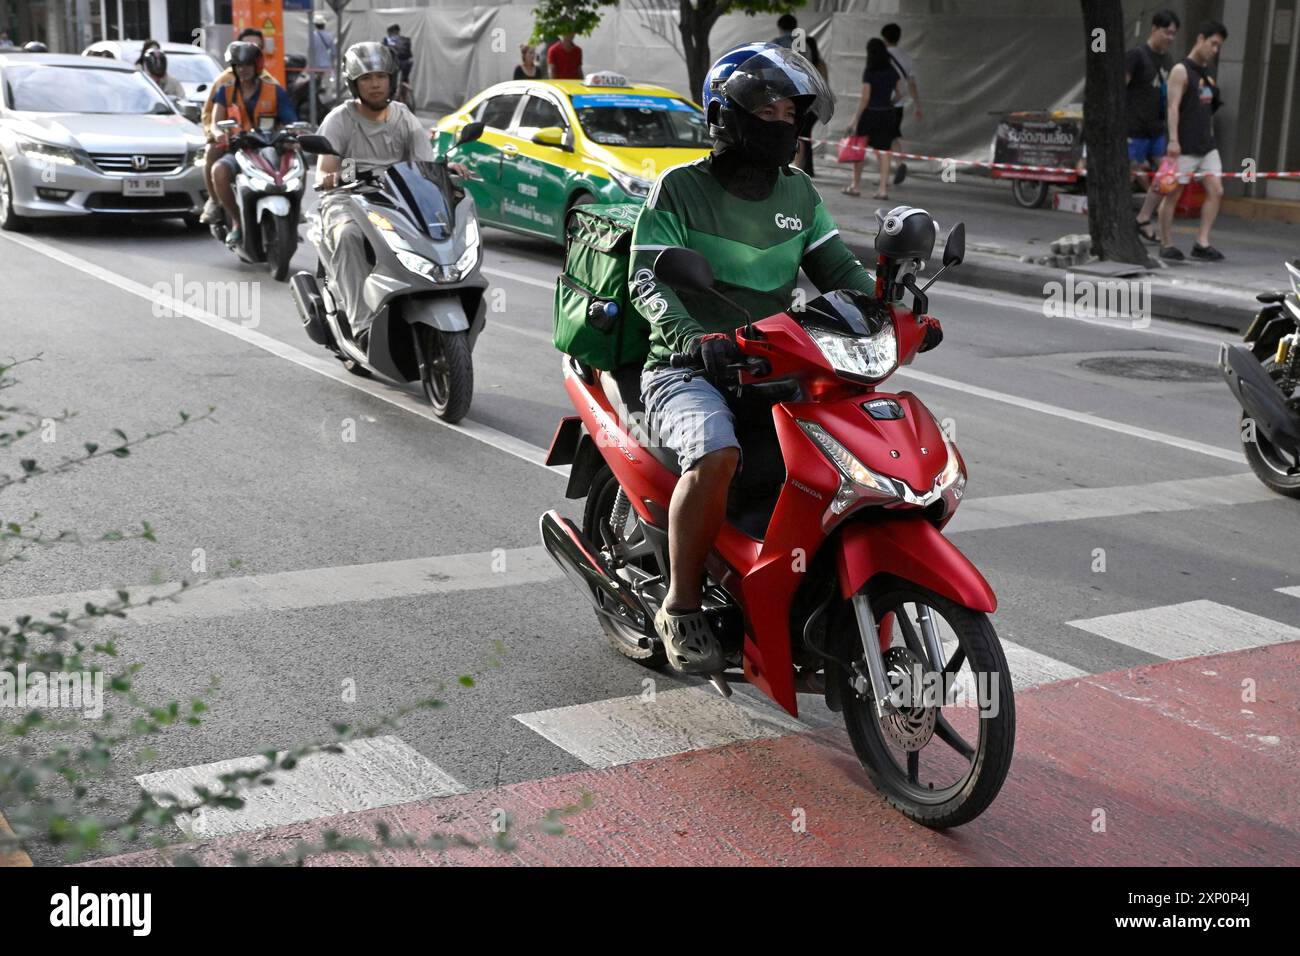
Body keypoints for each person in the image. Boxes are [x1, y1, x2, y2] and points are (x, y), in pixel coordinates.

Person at [629, 43, 933, 673]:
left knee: (847, 452)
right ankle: (681, 605)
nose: (783, 121)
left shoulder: (798, 193)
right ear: (726, 115)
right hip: (688, 368)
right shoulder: (680, 188)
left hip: (777, 362)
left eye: (792, 110)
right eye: (767, 108)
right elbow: (647, 281)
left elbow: (838, 272)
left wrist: (901, 315)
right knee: (717, 452)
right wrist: (690, 338)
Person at [314, 43, 467, 351]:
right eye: (367, 77)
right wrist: (344, 176)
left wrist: (446, 168)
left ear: (391, 79)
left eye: (381, 76)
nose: (375, 84)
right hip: (348, 199)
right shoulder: (339, 120)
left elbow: (424, 164)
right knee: (347, 236)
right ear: (354, 83)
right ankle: (362, 324)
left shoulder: (403, 117)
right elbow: (323, 175)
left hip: (396, 200)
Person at [209, 41, 297, 247]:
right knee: (218, 171)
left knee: (297, 165)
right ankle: (237, 222)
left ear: (257, 66)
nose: (243, 70)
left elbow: (291, 121)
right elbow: (215, 124)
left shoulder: (274, 91)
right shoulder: (225, 91)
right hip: (239, 150)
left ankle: (295, 212)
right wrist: (219, 134)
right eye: (238, 65)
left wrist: (294, 135)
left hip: (270, 150)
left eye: (247, 65)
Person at [1158, 21, 1228, 262]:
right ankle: (1166, 243)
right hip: (1184, 146)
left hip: (1206, 146)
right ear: (1200, 39)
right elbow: (1172, 107)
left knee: (1216, 190)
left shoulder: (1207, 72)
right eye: (1213, 44)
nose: (1215, 50)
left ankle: (1202, 242)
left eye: (1219, 46)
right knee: (1173, 194)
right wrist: (1174, 141)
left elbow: (1207, 110)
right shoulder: (1181, 70)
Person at [200, 28, 275, 224]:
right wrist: (214, 134)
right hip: (231, 142)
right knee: (211, 152)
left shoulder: (269, 81)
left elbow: (281, 114)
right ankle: (215, 202)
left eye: (256, 48)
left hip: (261, 142)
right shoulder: (224, 82)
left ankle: (291, 203)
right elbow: (209, 114)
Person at [1126, 9, 1179, 243]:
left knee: (1168, 176)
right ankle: (1122, 224)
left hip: (1157, 130)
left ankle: (1143, 217)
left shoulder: (1168, 60)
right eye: (1167, 32)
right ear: (1154, 29)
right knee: (1130, 174)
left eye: (1174, 34)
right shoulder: (1136, 56)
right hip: (1133, 129)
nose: (1170, 38)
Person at [845, 37, 906, 199]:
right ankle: (882, 190)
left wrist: (854, 119)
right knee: (884, 152)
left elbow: (865, 98)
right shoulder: (892, 72)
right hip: (887, 114)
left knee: (860, 150)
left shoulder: (869, 71)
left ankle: (856, 186)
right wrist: (890, 102)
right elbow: (900, 93)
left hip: (870, 113)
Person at [772, 13, 827, 176]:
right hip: (805, 93)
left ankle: (782, 164)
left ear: (780, 27)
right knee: (800, 132)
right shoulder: (805, 46)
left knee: (781, 128)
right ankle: (798, 168)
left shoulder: (777, 43)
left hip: (783, 93)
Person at [880, 23, 920, 184]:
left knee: (882, 140)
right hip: (899, 105)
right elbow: (912, 83)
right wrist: (918, 104)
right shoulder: (906, 57)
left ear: (884, 37)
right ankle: (899, 163)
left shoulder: (882, 55)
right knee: (892, 136)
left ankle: (885, 175)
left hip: (883, 103)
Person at [382, 23, 414, 89]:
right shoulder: (406, 39)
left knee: (391, 79)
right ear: (398, 32)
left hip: (394, 63)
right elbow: (409, 53)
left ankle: (392, 93)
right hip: (407, 63)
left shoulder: (387, 40)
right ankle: (404, 90)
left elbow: (383, 52)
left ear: (390, 32)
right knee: (405, 79)